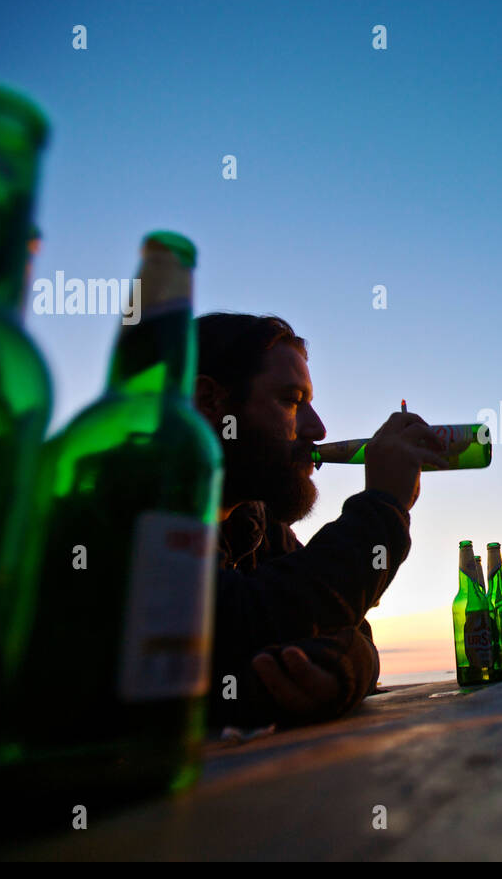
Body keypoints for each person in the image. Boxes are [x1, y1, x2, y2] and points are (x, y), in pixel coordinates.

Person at [192, 312, 447, 728]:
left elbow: (354, 631)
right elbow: (234, 622)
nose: (318, 428)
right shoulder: (138, 508)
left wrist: (342, 671)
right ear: (210, 400)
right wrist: (382, 507)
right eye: (291, 400)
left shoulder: (256, 527)